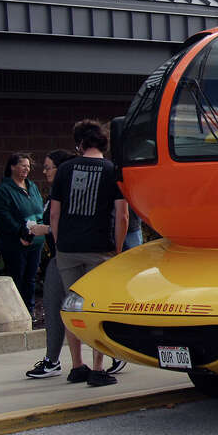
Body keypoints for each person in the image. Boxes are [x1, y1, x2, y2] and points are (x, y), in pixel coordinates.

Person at [51, 120, 129, 387]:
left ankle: (76, 365)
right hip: (100, 248)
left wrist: (60, 242)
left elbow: (54, 213)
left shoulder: (64, 169)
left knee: (71, 306)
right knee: (97, 307)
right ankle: (98, 368)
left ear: (79, 143)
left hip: (68, 248)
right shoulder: (111, 170)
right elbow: (122, 214)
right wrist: (117, 249)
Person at [24, 151, 76, 379]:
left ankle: (110, 356)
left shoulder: (71, 191)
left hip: (71, 257)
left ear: (61, 168)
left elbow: (68, 223)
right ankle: (52, 360)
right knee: (53, 308)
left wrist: (44, 229)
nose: (44, 172)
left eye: (48, 167)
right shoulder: (54, 193)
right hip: (57, 257)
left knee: (78, 310)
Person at [0, 152, 46, 314]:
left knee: (30, 279)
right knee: (18, 278)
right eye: (23, 165)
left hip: (36, 241)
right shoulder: (5, 190)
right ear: (12, 167)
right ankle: (17, 312)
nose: (26, 169)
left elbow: (40, 208)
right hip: (16, 243)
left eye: (28, 166)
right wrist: (20, 232)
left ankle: (29, 312)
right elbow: (4, 216)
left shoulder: (32, 186)